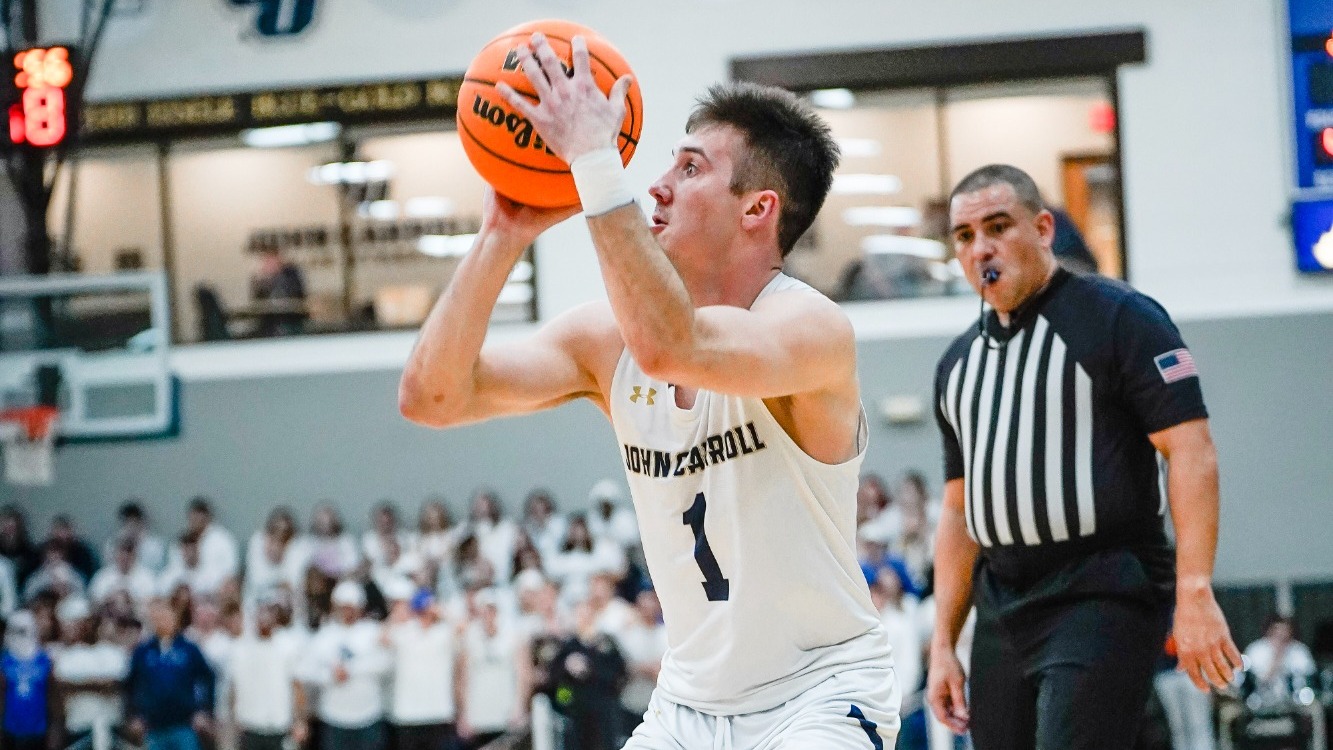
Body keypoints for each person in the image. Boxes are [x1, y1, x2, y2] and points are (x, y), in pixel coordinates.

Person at [400, 36, 896, 747]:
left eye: (689, 168)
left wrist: (595, 160)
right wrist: (499, 237)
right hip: (685, 707)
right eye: (664, 163)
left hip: (817, 693)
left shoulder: (808, 327)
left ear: (758, 209)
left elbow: (675, 349)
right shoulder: (605, 341)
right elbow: (433, 399)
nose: (657, 184)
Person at [925, 164, 1240, 749]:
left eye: (998, 227)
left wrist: (1194, 590)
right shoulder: (957, 366)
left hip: (1101, 587)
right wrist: (944, 643)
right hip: (1004, 602)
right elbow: (957, 512)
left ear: (1043, 228)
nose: (981, 248)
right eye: (965, 236)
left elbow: (1191, 451)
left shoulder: (1120, 317)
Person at [297, 581, 391, 750]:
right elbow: (307, 671)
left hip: (369, 715)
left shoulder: (373, 632)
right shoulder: (324, 636)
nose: (347, 611)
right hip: (334, 718)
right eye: (343, 606)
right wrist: (331, 676)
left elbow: (386, 663)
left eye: (352, 606)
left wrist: (351, 670)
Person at [126, 597, 216, 750]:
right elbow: (130, 685)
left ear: (175, 618)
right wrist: (134, 715)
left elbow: (208, 677)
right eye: (158, 617)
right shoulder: (143, 651)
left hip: (185, 725)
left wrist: (204, 711)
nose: (163, 621)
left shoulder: (189, 649)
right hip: (153, 727)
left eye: (166, 616)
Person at [228, 599, 309, 750]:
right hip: (249, 725)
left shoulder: (288, 646)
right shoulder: (240, 649)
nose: (264, 619)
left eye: (268, 615)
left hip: (279, 726)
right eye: (260, 615)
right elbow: (233, 688)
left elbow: (297, 686)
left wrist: (300, 721)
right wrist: (233, 720)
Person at [0, 611, 53, 750]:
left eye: (24, 630)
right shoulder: (4, 661)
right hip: (10, 733)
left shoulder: (44, 660)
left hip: (39, 732)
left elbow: (53, 699)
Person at [1243, 614, 1318, 699]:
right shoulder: (1256, 650)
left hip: (1296, 700)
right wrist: (1276, 659)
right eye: (1277, 629)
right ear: (1269, 630)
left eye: (1285, 630)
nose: (1281, 634)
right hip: (1260, 700)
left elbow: (1309, 678)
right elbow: (1252, 683)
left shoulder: (1299, 650)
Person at [249, 247, 307, 337]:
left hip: (290, 321)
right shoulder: (261, 279)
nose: (269, 264)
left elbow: (295, 294)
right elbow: (257, 301)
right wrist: (264, 281)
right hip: (269, 324)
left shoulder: (291, 274)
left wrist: (274, 278)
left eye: (271, 261)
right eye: (267, 262)